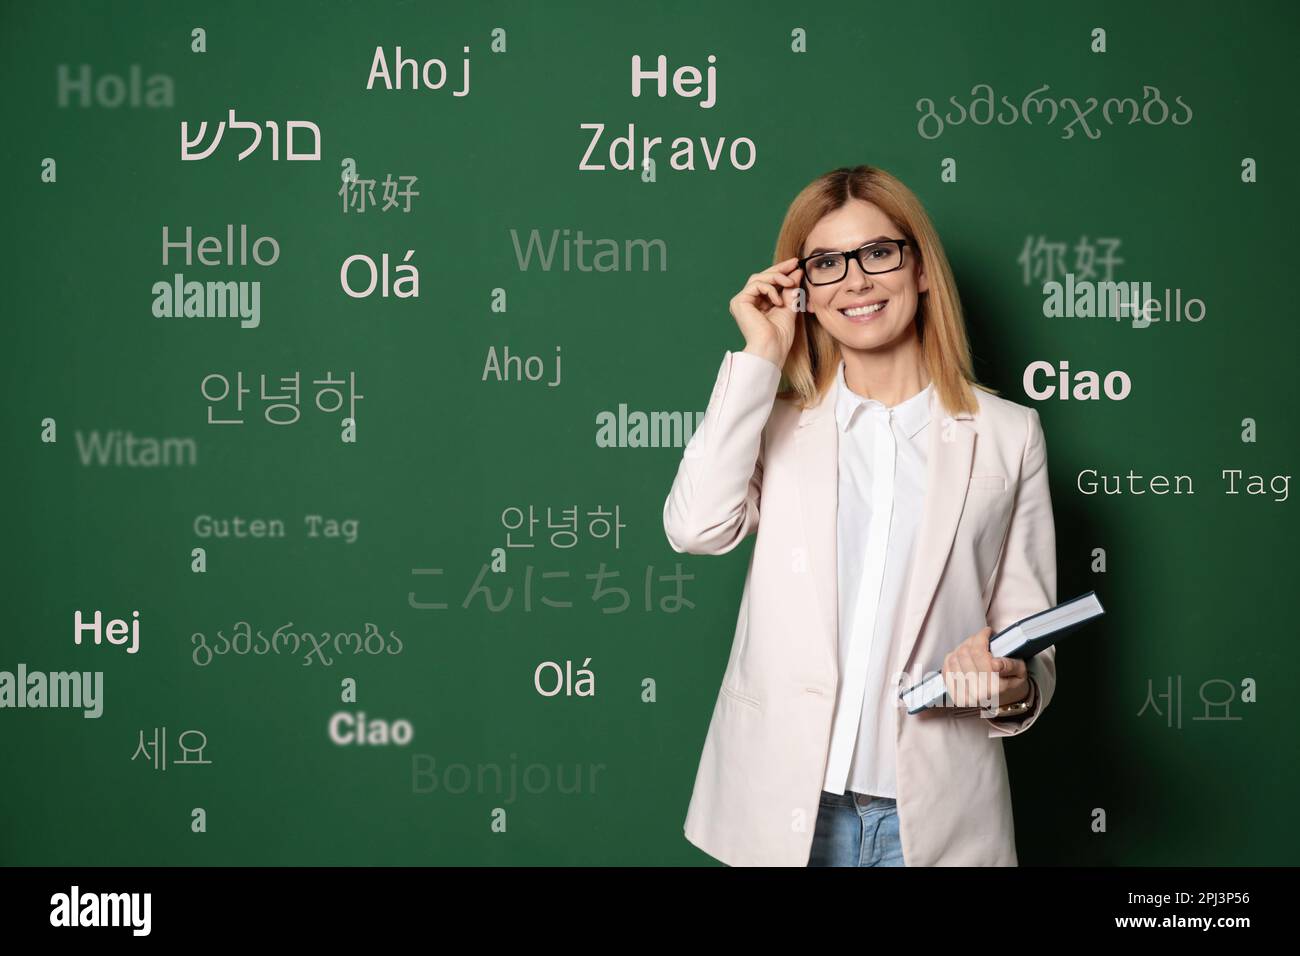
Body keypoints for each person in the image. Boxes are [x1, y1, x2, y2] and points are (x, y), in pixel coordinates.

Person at [662, 165, 1058, 867]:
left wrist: (1012, 682)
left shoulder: (1008, 433)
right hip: (784, 807)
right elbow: (696, 527)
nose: (856, 281)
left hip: (934, 817)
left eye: (878, 253)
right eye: (827, 263)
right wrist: (762, 352)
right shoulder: (777, 421)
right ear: (803, 288)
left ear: (920, 267)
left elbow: (1031, 638)